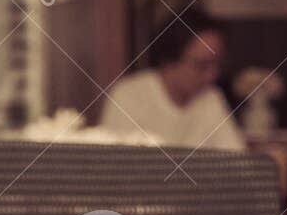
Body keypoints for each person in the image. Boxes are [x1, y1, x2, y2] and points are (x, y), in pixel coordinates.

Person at [99, 10, 246, 151]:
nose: (212, 75)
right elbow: (116, 166)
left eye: (217, 64)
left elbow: (236, 157)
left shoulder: (210, 97)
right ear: (169, 61)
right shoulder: (129, 96)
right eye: (202, 66)